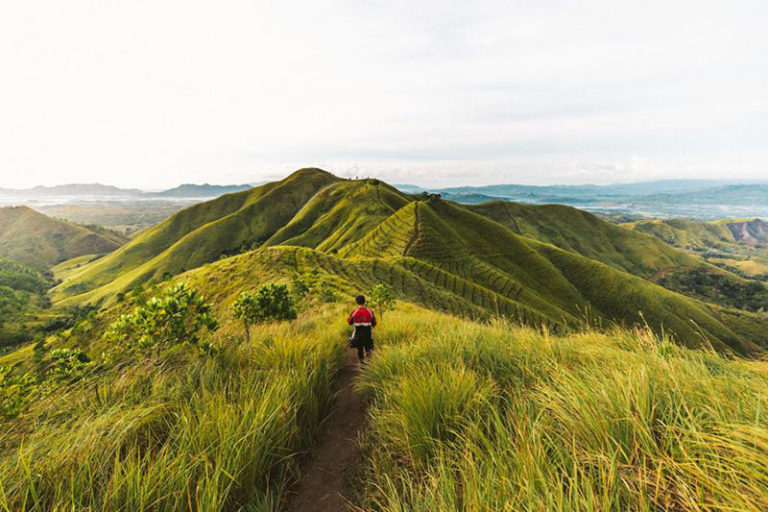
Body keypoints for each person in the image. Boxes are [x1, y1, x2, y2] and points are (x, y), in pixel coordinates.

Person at [347, 295, 377, 363]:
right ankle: (369, 364)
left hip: (358, 335)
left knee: (360, 349)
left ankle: (362, 364)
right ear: (364, 301)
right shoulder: (370, 311)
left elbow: (349, 322)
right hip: (368, 334)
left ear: (357, 302)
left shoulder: (355, 312)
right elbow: (374, 323)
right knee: (368, 349)